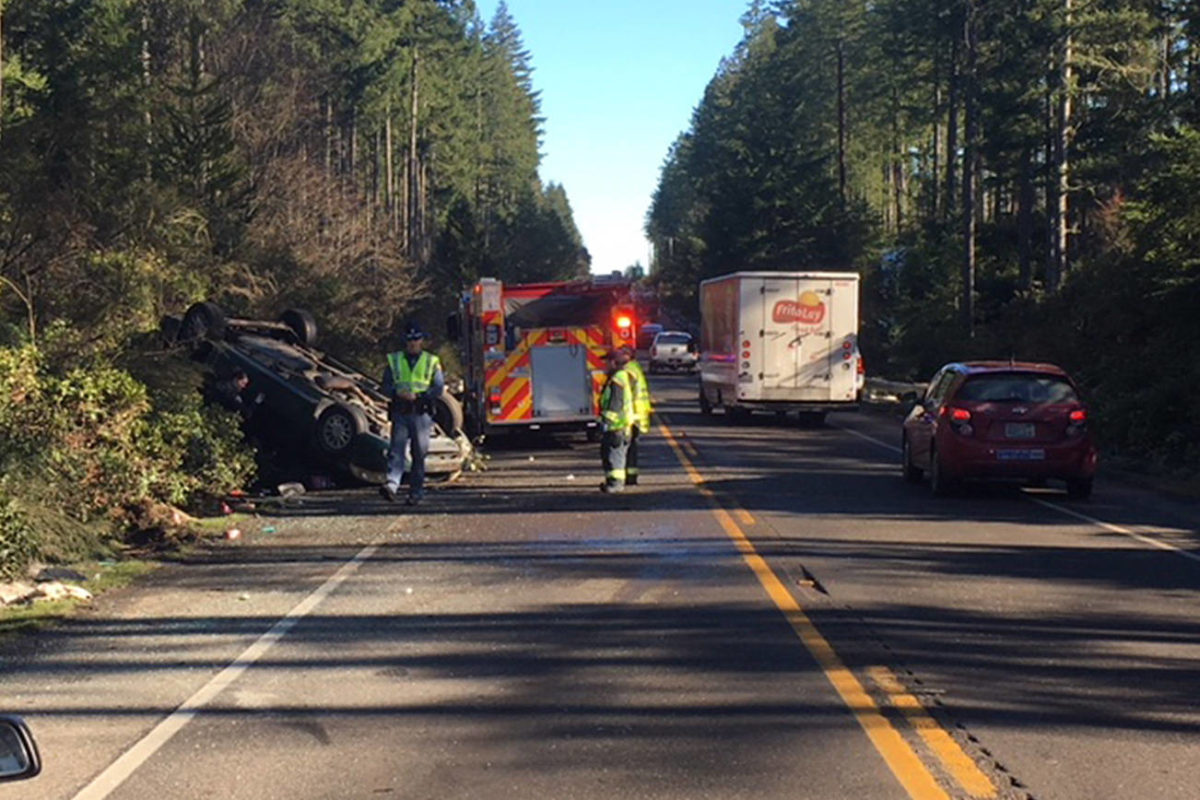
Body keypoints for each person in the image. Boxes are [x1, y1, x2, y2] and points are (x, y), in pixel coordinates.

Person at [381, 323, 444, 506]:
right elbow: (385, 386)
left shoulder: (431, 361)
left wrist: (420, 395)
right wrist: (396, 393)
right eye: (410, 340)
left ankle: (416, 492)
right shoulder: (394, 360)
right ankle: (392, 485)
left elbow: (438, 388)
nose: (413, 343)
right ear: (405, 341)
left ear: (422, 340)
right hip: (401, 411)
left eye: (416, 339)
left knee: (419, 453)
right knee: (396, 451)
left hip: (421, 413)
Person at [598, 348, 635, 493]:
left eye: (607, 362)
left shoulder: (617, 380)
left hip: (617, 426)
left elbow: (615, 404)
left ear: (613, 363)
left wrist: (606, 422)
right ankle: (612, 482)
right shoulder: (622, 377)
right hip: (622, 426)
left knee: (615, 455)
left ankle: (616, 484)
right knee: (612, 454)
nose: (605, 365)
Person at [622, 345, 652, 486]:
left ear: (628, 356)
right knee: (632, 447)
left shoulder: (628, 371)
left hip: (631, 414)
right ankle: (631, 475)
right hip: (637, 414)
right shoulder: (635, 368)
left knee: (627, 447)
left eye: (622, 353)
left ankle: (627, 476)